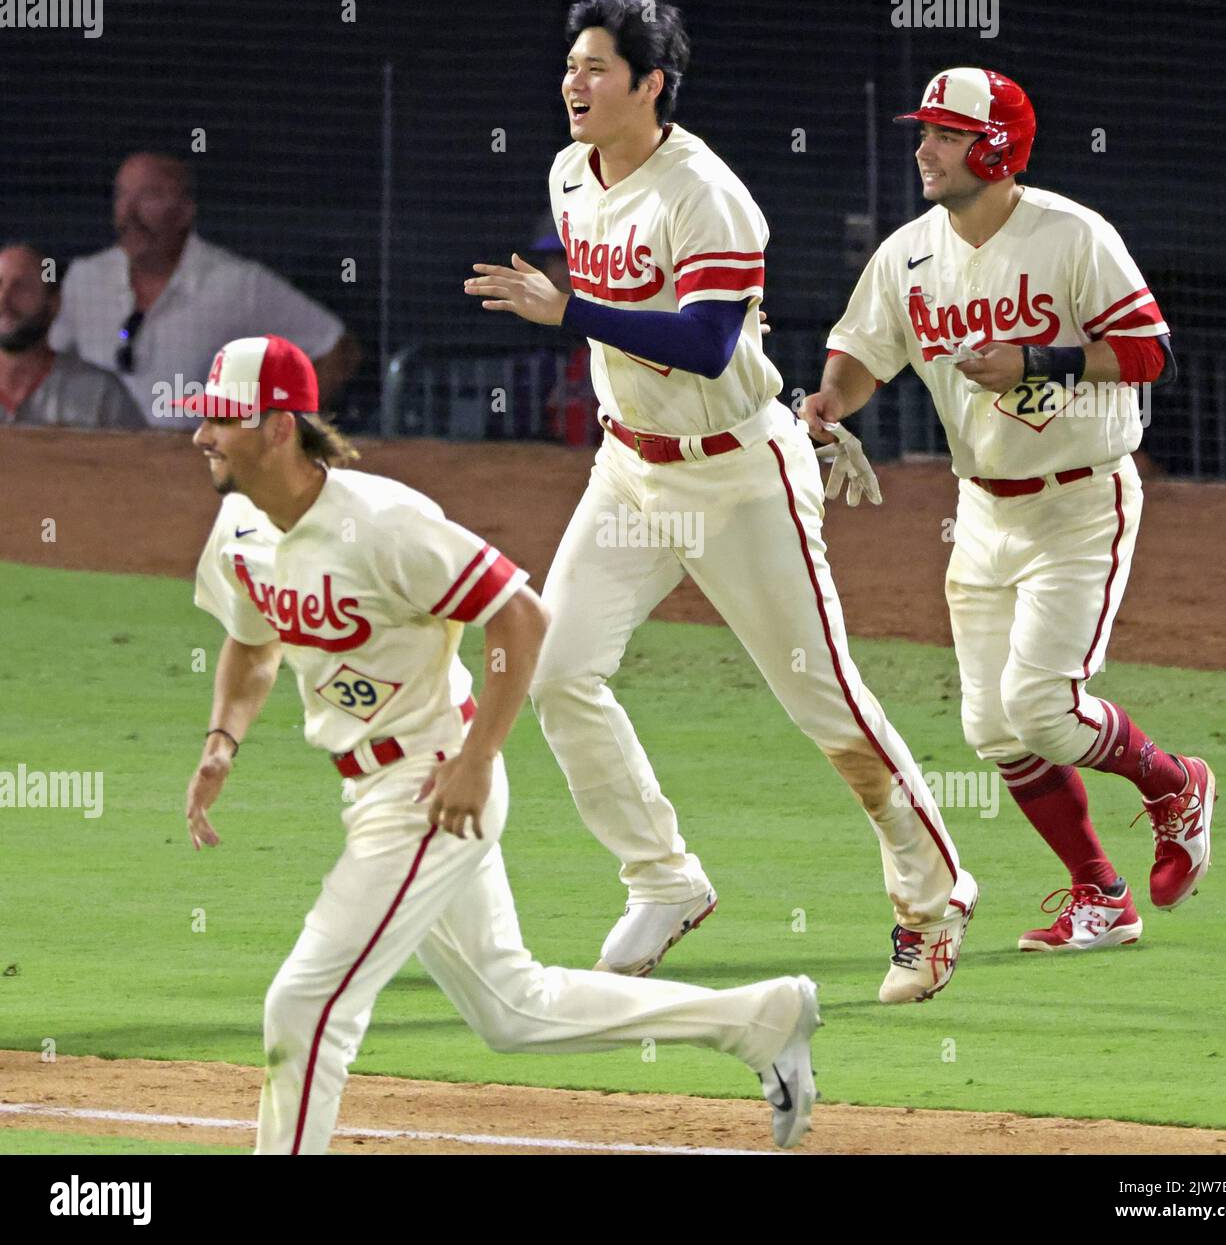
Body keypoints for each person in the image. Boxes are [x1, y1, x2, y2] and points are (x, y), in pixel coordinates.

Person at [181, 333, 820, 1155]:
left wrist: (477, 760)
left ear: (278, 429)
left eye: (221, 419)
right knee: (515, 1009)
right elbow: (249, 638)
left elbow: (520, 615)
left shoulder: (383, 524)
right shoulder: (242, 527)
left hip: (430, 787)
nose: (201, 434)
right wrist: (222, 740)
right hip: (375, 788)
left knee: (304, 1007)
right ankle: (760, 1019)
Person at [464, 0, 976, 1004]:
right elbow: (657, 321)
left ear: (650, 84)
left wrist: (569, 309)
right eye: (571, 65)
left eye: (597, 67)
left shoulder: (705, 194)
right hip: (630, 468)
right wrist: (592, 312)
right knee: (554, 667)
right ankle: (663, 880)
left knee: (822, 699)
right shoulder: (572, 173)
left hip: (739, 475)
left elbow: (703, 344)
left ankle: (935, 897)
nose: (574, 82)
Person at [802, 68, 1213, 952]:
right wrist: (829, 404)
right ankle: (1101, 894)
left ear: (994, 147)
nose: (924, 148)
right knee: (989, 725)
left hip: (1080, 502)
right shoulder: (910, 253)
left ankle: (1174, 781)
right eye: (926, 132)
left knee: (1040, 707)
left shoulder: (1072, 235)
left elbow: (1151, 353)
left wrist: (1039, 361)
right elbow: (863, 350)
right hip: (982, 512)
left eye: (945, 134)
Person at [51, 152, 361, 428]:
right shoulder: (85, 278)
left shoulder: (237, 284)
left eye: (149, 196)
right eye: (121, 195)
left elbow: (339, 350)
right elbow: (44, 362)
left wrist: (275, 434)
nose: (129, 213)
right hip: (97, 470)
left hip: (196, 474)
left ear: (186, 211)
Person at [0, 242, 143, 429]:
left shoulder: (100, 393)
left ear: (53, 303)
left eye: (22, 286)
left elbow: (144, 456)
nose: (4, 299)